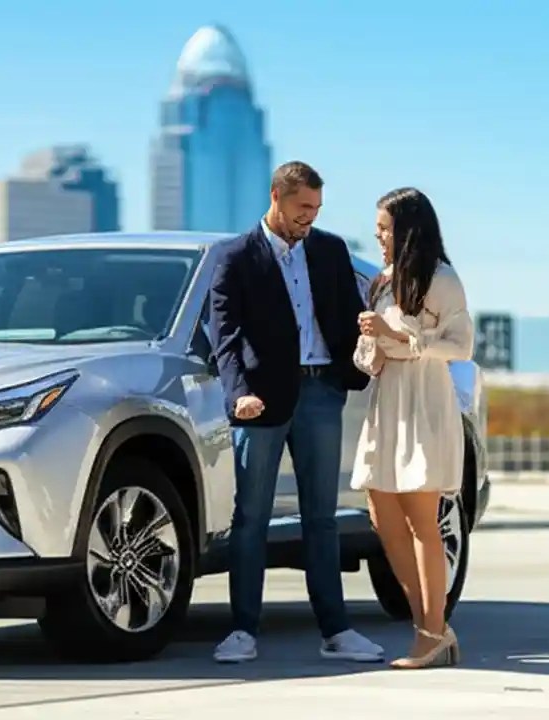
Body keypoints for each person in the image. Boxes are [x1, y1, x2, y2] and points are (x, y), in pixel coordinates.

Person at [208, 160, 385, 664]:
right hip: (261, 400)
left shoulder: (329, 250)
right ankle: (243, 631)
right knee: (251, 518)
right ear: (276, 197)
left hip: (321, 393)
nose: (310, 216)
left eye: (317, 208)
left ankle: (336, 631)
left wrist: (359, 369)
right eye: (303, 206)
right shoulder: (234, 256)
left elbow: (350, 316)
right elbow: (224, 335)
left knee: (321, 518)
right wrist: (238, 394)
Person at [350, 186, 474, 669]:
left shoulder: (441, 278)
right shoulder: (381, 282)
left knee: (423, 520)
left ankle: (430, 632)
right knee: (382, 513)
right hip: (388, 402)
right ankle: (429, 626)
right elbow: (370, 359)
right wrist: (373, 344)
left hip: (424, 400)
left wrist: (400, 335)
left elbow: (460, 346)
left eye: (385, 229)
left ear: (407, 230)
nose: (378, 238)